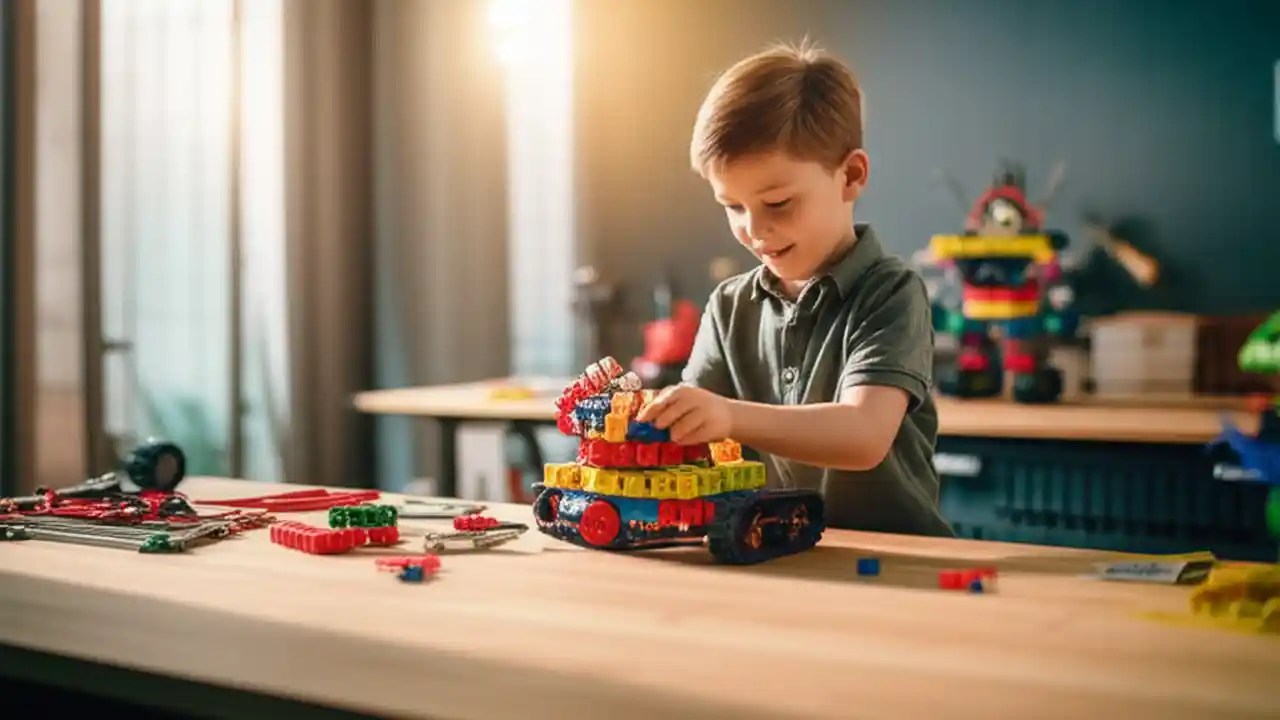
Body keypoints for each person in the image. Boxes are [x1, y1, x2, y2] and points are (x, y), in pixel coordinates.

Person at [635, 39, 952, 536]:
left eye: (778, 202)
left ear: (850, 175)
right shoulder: (729, 306)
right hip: (777, 552)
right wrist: (648, 419)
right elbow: (695, 439)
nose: (754, 230)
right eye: (732, 206)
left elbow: (864, 436)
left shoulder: (890, 292)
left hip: (897, 562)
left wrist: (727, 416)